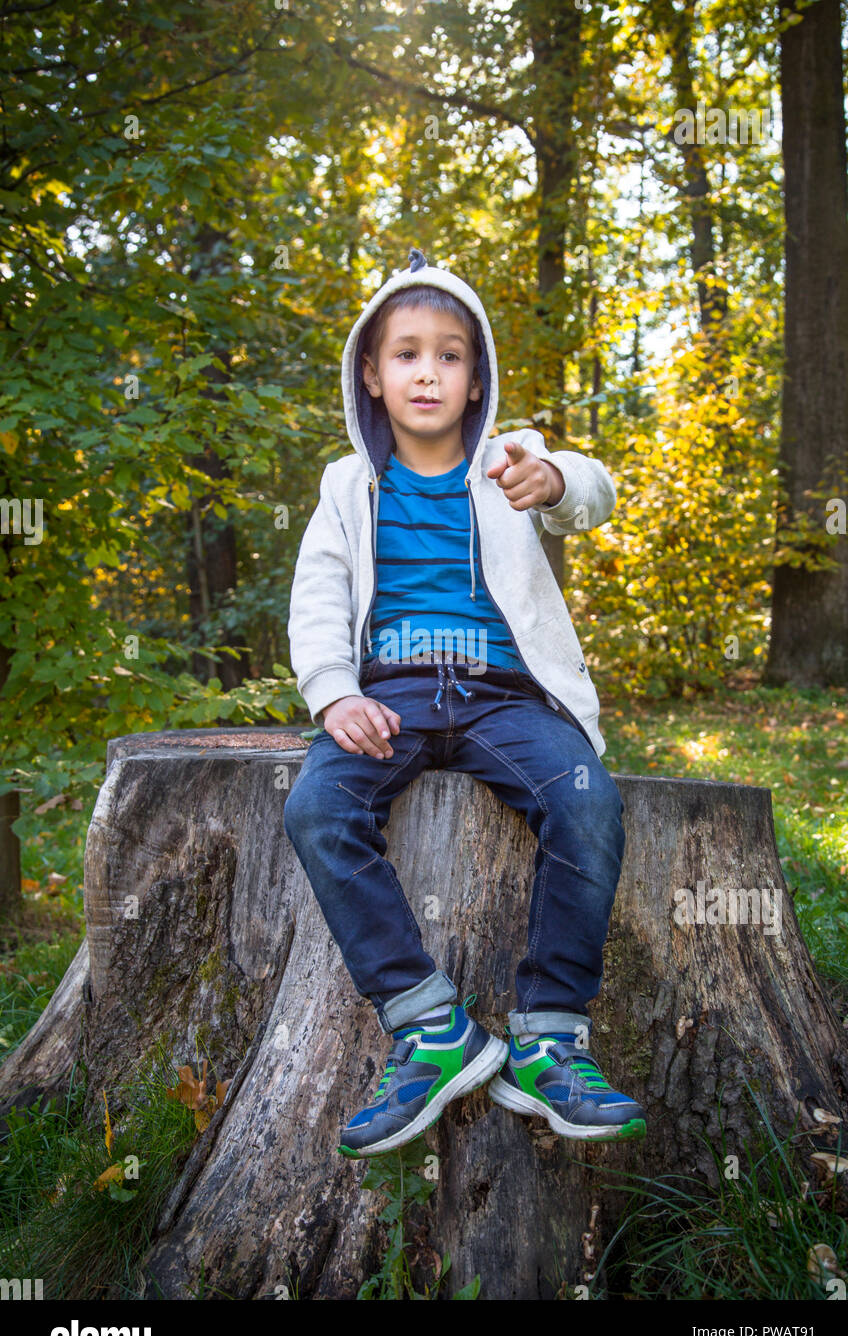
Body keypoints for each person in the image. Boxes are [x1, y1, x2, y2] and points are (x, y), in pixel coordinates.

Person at [284, 247, 646, 1159]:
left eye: (449, 356)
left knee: (588, 802)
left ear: (475, 377)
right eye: (406, 354)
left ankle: (550, 1036)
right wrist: (332, 695)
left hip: (503, 695)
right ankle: (429, 1024)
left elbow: (592, 493)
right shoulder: (346, 484)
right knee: (318, 809)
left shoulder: (506, 460)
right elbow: (319, 597)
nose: (427, 373)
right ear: (371, 374)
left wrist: (554, 479)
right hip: (392, 695)